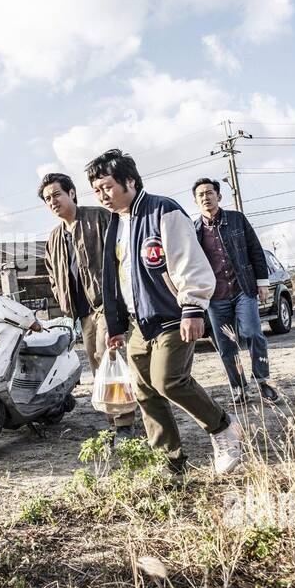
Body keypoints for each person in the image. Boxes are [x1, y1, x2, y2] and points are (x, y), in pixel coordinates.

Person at [88, 149, 244, 477]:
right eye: (96, 190)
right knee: (144, 392)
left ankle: (223, 428)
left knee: (169, 381)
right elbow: (115, 278)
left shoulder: (163, 210)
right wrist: (115, 325)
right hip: (136, 323)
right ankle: (171, 464)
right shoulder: (116, 225)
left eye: (106, 186)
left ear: (129, 180)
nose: (102, 195)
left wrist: (192, 308)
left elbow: (190, 260)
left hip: (172, 314)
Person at [40, 172, 136, 440]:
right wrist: (61, 296)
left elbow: (121, 253)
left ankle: (124, 423)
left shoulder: (99, 218)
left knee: (109, 355)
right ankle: (115, 421)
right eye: (48, 199)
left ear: (71, 193)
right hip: (82, 312)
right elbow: (51, 272)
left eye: (57, 194)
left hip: (106, 302)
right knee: (96, 364)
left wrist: (120, 296)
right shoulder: (54, 237)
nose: (53, 201)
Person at [191, 178, 280, 405]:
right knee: (225, 345)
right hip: (215, 296)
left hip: (243, 289)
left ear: (218, 197)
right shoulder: (194, 230)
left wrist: (262, 282)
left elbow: (255, 251)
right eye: (200, 195)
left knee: (252, 333)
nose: (206, 197)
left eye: (209, 193)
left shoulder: (237, 219)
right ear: (196, 201)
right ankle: (238, 387)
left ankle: (263, 382)